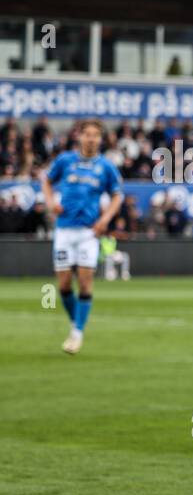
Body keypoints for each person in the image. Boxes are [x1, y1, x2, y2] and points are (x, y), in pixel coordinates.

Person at [38, 118, 123, 354]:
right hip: (64, 230)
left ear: (101, 139)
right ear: (80, 136)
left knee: (85, 281)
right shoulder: (65, 161)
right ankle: (77, 324)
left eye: (96, 135)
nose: (91, 138)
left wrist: (105, 220)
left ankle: (76, 333)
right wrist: (50, 202)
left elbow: (117, 196)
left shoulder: (106, 167)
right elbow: (45, 179)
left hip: (88, 232)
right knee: (64, 285)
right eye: (88, 134)